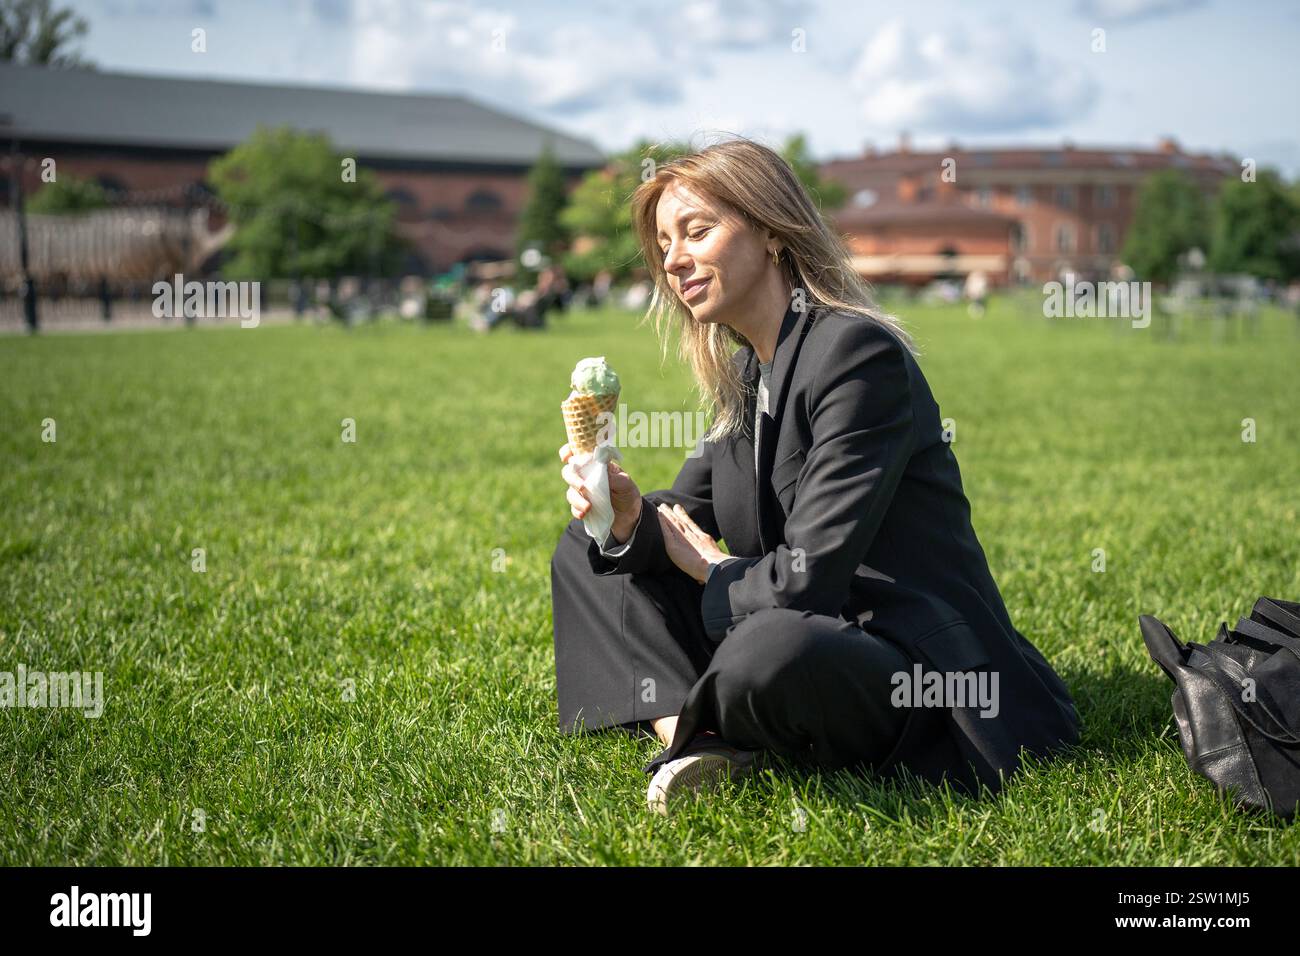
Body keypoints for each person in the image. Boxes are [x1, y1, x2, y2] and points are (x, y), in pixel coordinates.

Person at [549, 138, 1081, 815]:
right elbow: (682, 514)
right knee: (589, 549)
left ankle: (708, 718)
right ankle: (694, 740)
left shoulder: (858, 356)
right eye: (663, 243)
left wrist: (713, 571)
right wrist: (621, 516)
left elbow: (807, 580)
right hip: (801, 624)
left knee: (772, 643)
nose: (673, 259)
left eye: (697, 230)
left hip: (901, 663)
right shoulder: (746, 374)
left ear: (771, 231)